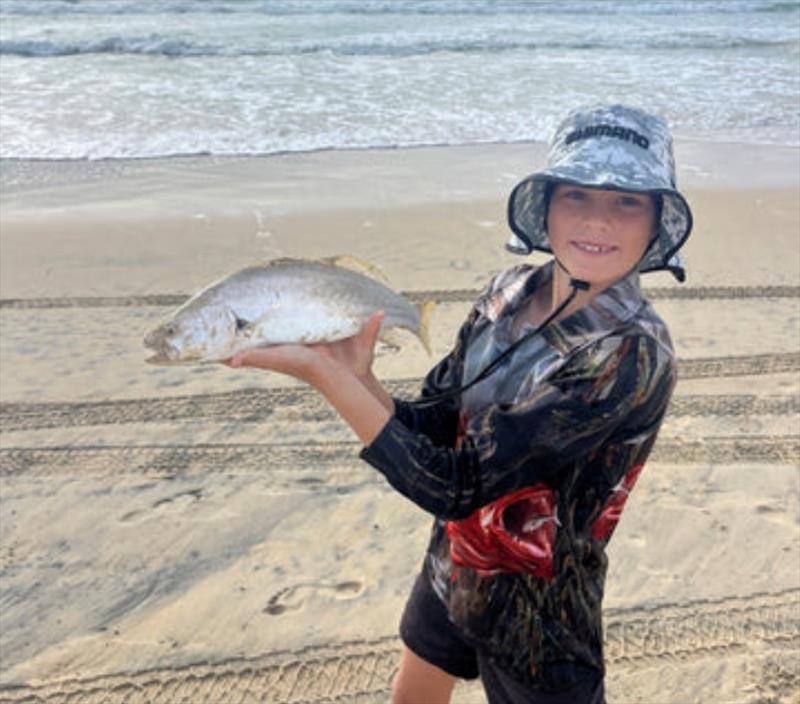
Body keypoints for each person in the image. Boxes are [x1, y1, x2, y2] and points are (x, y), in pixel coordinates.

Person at [227, 104, 693, 704]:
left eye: (627, 201)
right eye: (577, 194)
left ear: (658, 220)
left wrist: (329, 379)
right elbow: (436, 425)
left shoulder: (630, 353)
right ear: (545, 205)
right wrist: (359, 375)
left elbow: (456, 483)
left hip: (541, 617)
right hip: (454, 563)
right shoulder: (507, 291)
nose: (598, 221)